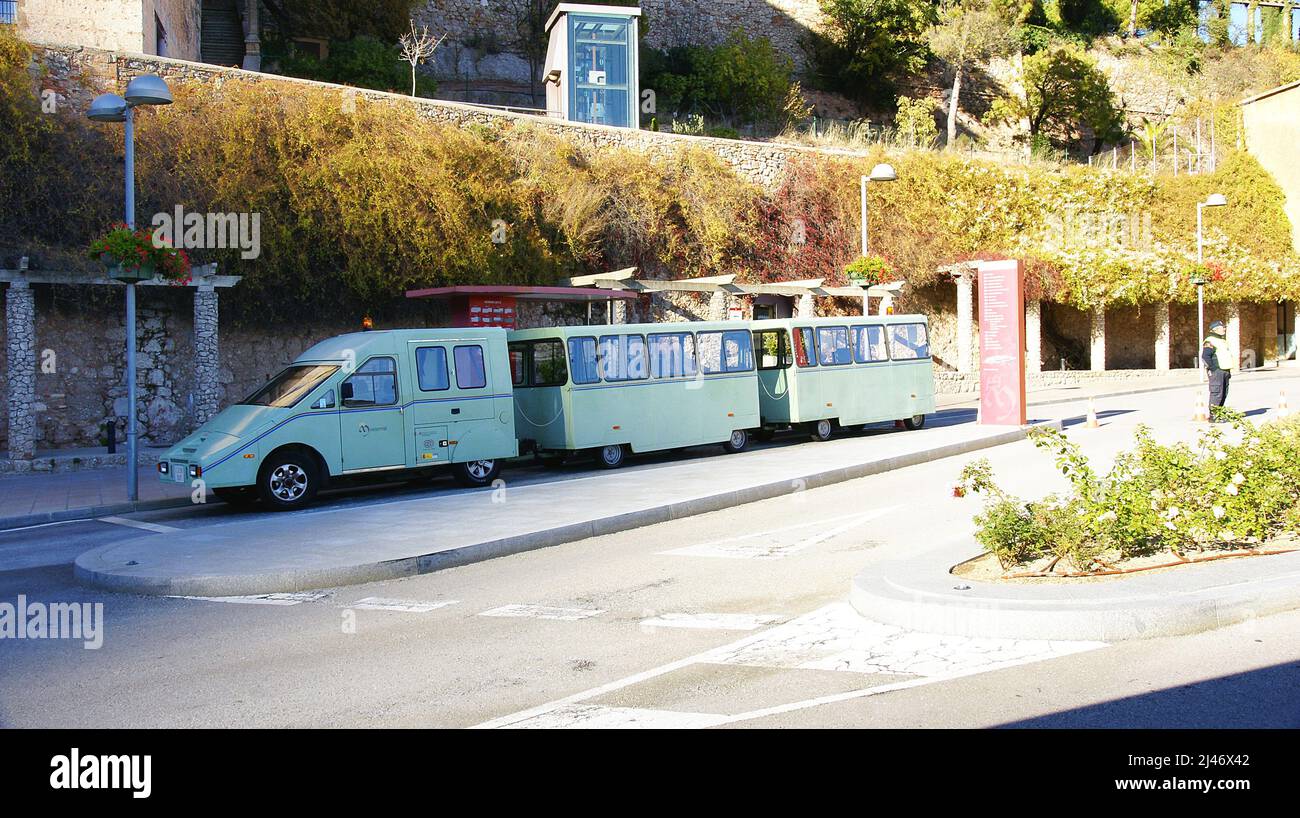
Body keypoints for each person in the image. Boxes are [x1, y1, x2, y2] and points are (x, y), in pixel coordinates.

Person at [1202, 320, 1233, 420]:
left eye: (1224, 327)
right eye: (1222, 327)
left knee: (1224, 392)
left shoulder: (1222, 340)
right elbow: (1205, 356)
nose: (1224, 329)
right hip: (1217, 371)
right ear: (1215, 329)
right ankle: (1213, 416)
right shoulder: (1210, 340)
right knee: (1216, 392)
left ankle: (1219, 413)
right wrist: (1213, 369)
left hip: (1225, 370)